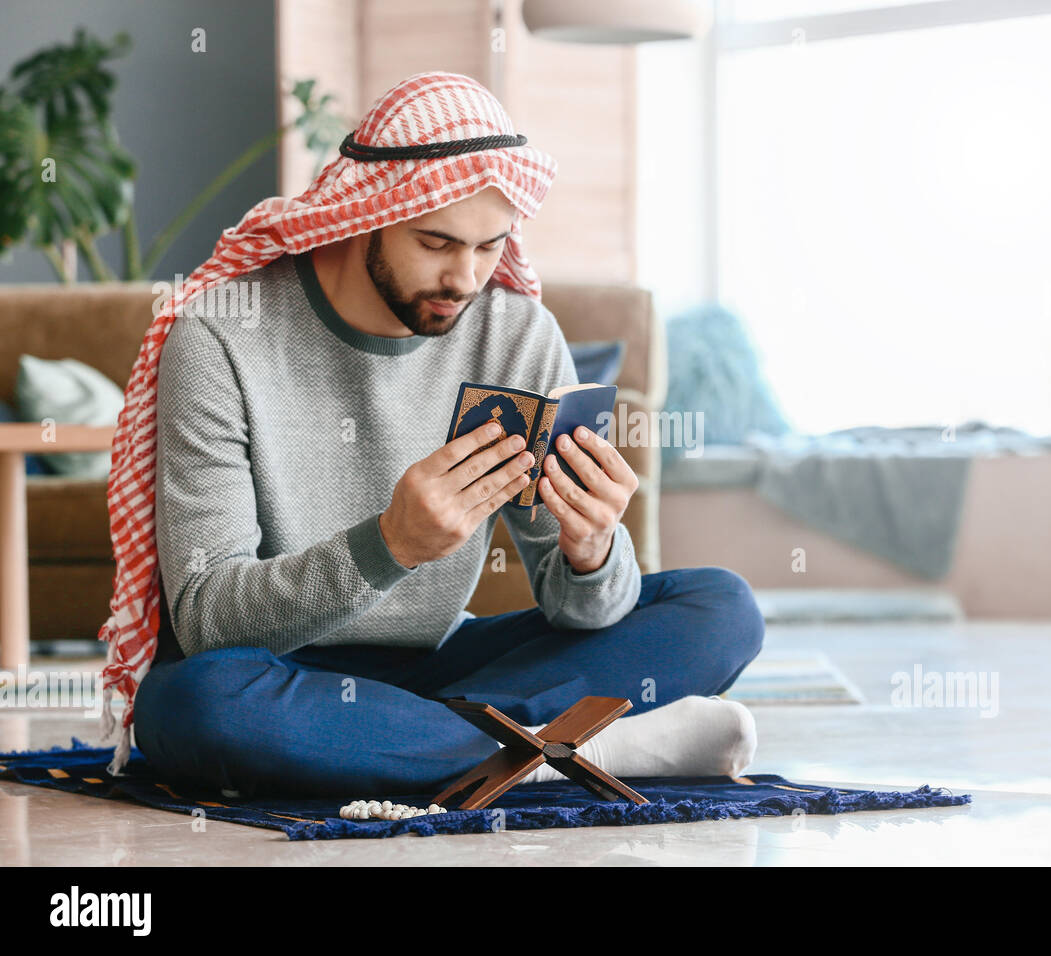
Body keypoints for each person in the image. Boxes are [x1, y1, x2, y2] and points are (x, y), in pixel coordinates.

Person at [98, 72, 764, 797]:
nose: (465, 278)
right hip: (275, 673)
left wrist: (591, 551)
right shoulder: (223, 336)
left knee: (720, 608)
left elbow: (580, 613)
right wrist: (389, 546)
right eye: (436, 242)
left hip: (450, 666)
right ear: (368, 215)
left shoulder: (516, 336)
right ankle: (579, 745)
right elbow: (207, 620)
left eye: (489, 247)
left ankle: (437, 744)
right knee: (196, 705)